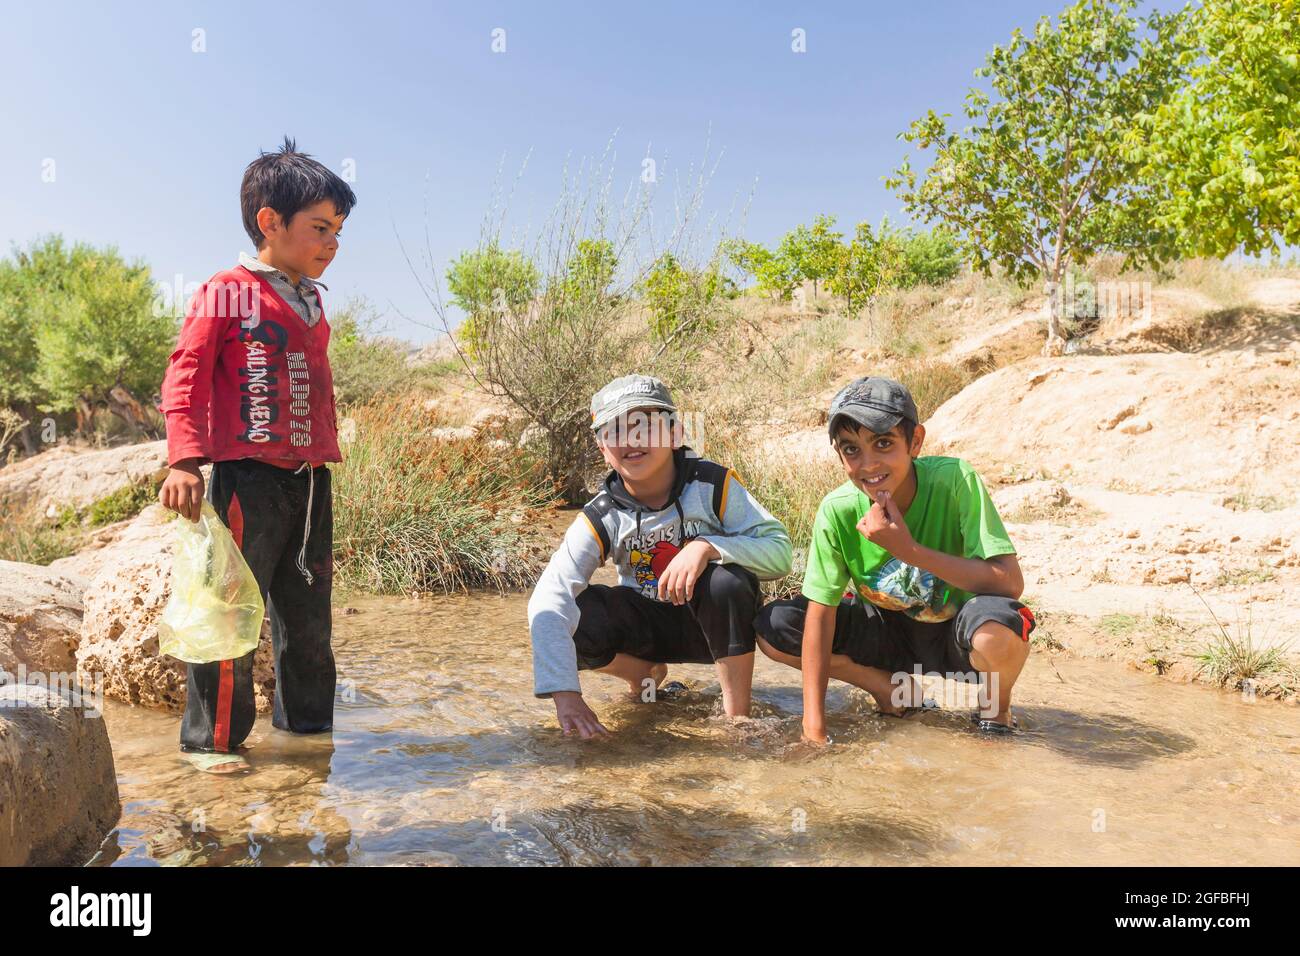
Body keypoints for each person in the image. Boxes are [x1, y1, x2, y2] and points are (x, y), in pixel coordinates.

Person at [157, 136, 356, 772]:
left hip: (311, 484)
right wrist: (185, 460)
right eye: (320, 227)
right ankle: (212, 747)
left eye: (339, 231)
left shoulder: (313, 301)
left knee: (309, 620)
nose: (332, 243)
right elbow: (185, 372)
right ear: (270, 222)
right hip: (246, 481)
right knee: (229, 618)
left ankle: (307, 740)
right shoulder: (228, 289)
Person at [754, 376, 1035, 742]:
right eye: (851, 449)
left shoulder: (955, 481)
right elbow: (820, 619)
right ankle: (889, 688)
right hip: (888, 638)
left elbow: (1009, 582)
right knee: (774, 627)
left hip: (955, 636)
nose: (869, 464)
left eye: (883, 443)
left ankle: (995, 711)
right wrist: (814, 732)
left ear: (915, 441)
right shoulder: (837, 511)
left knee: (998, 632)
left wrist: (909, 551)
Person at [528, 374, 793, 738]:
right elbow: (548, 597)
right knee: (577, 611)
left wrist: (707, 547)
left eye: (644, 426)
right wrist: (567, 696)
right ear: (602, 447)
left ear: (674, 433)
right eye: (616, 431)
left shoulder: (713, 484)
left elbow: (780, 553)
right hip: (648, 629)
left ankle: (737, 719)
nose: (632, 441)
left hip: (714, 628)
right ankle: (644, 676)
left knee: (726, 581)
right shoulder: (600, 514)